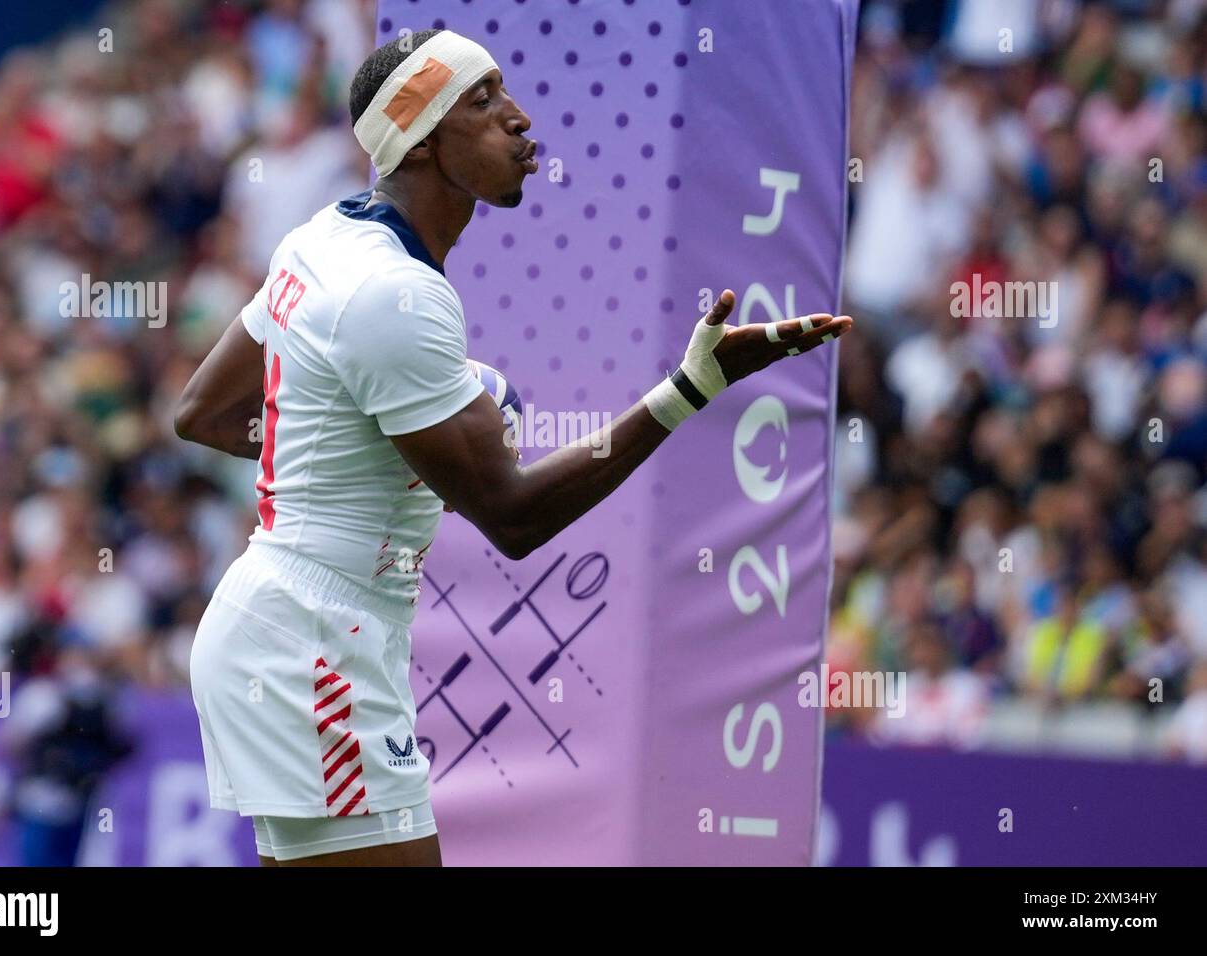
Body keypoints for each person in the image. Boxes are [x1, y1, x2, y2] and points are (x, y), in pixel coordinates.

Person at [175, 28, 853, 867]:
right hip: (312, 640)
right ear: (420, 138)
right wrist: (691, 390)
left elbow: (204, 414)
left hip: (295, 622)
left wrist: (365, 447)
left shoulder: (323, 242)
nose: (523, 120)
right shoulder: (394, 295)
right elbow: (514, 515)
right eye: (484, 99)